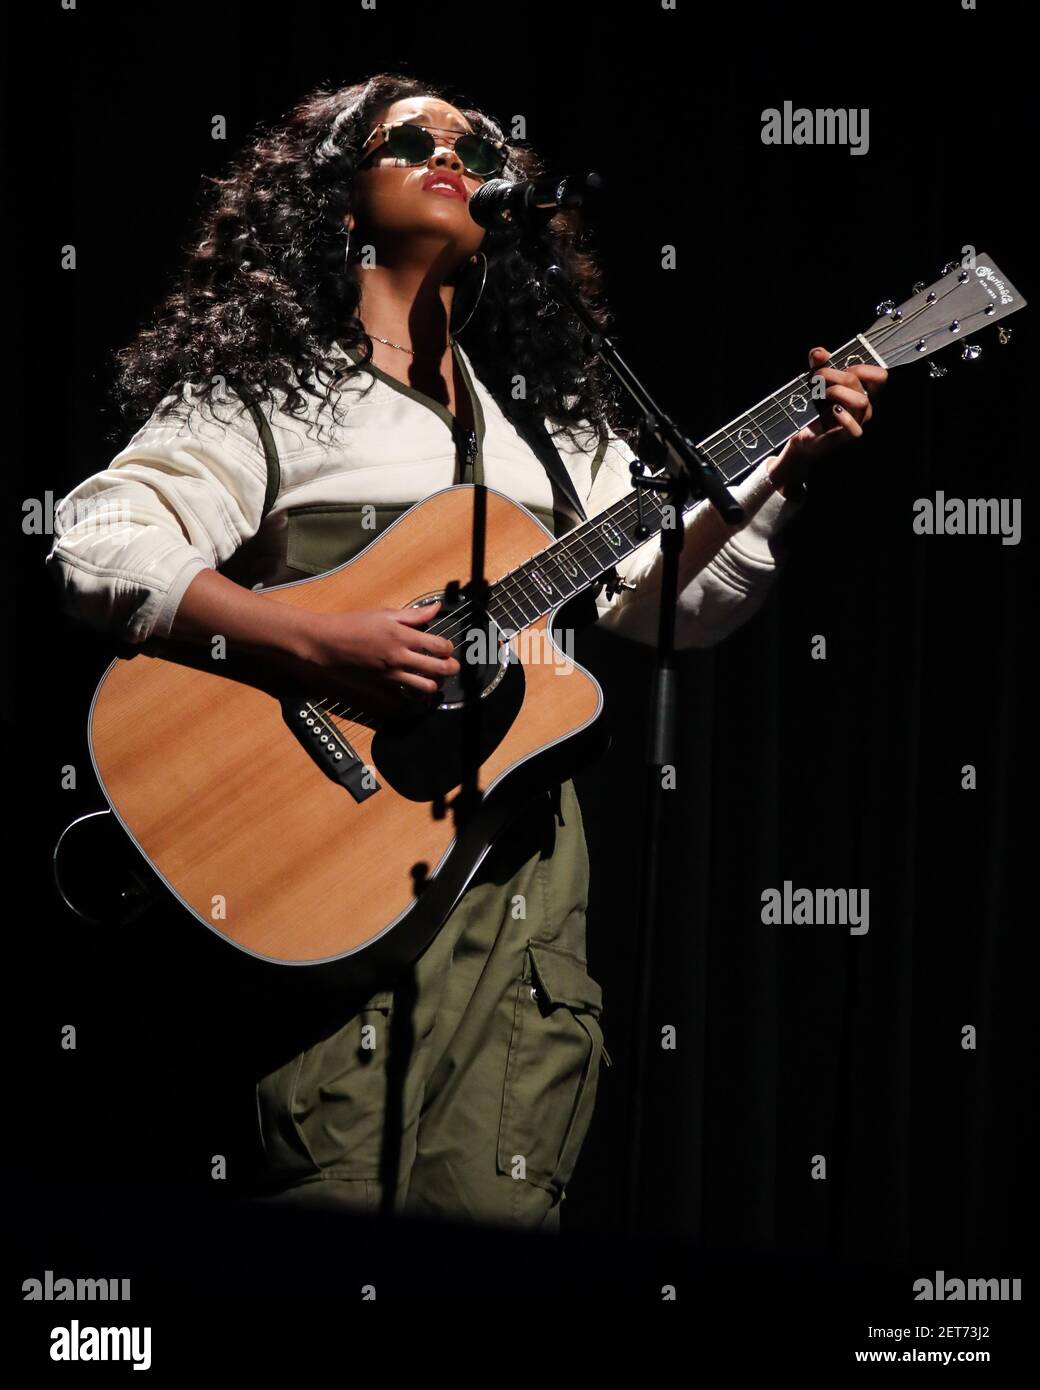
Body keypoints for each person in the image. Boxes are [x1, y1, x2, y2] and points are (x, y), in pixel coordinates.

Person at [45, 74, 885, 1232]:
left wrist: (780, 475)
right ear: (338, 203)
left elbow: (665, 604)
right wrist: (310, 643)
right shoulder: (270, 396)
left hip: (514, 895)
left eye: (476, 144)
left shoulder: (552, 435)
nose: (452, 153)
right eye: (409, 140)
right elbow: (96, 545)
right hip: (321, 882)